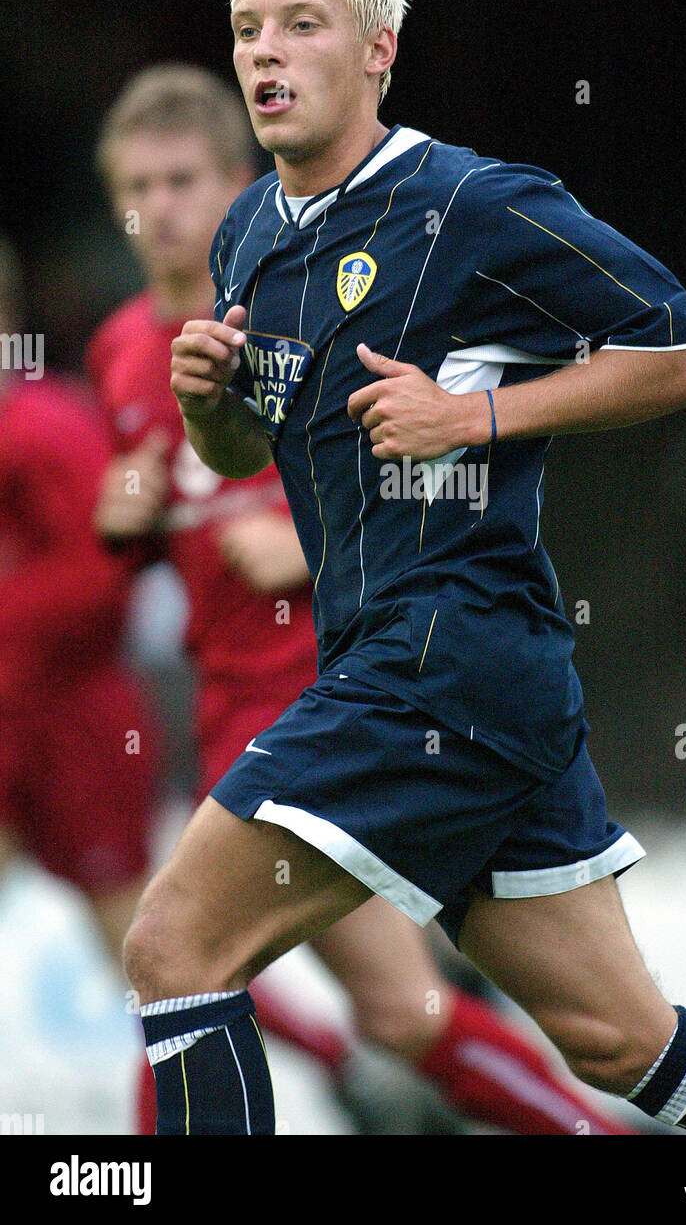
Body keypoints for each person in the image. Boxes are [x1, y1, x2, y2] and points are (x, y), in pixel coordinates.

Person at [123, 0, 686, 1136]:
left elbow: (683, 356)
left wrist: (475, 421)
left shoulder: (465, 199)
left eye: (302, 25)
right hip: (453, 675)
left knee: (176, 945)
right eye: (248, 30)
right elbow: (247, 445)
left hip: (439, 660)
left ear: (377, 47)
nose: (267, 53)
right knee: (620, 1041)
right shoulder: (249, 231)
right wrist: (210, 411)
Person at [90, 64, 630, 1136]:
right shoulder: (119, 352)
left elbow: (403, 450)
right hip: (226, 700)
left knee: (192, 956)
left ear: (236, 181)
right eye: (136, 185)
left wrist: (305, 541)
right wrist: (130, 520)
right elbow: (174, 516)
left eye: (184, 179)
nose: (160, 208)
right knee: (358, 996)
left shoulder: (294, 308)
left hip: (325, 691)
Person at [0, 234, 157, 966]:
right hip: (20, 715)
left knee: (140, 944)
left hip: (75, 726)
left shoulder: (44, 424)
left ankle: (334, 1057)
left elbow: (102, 581)